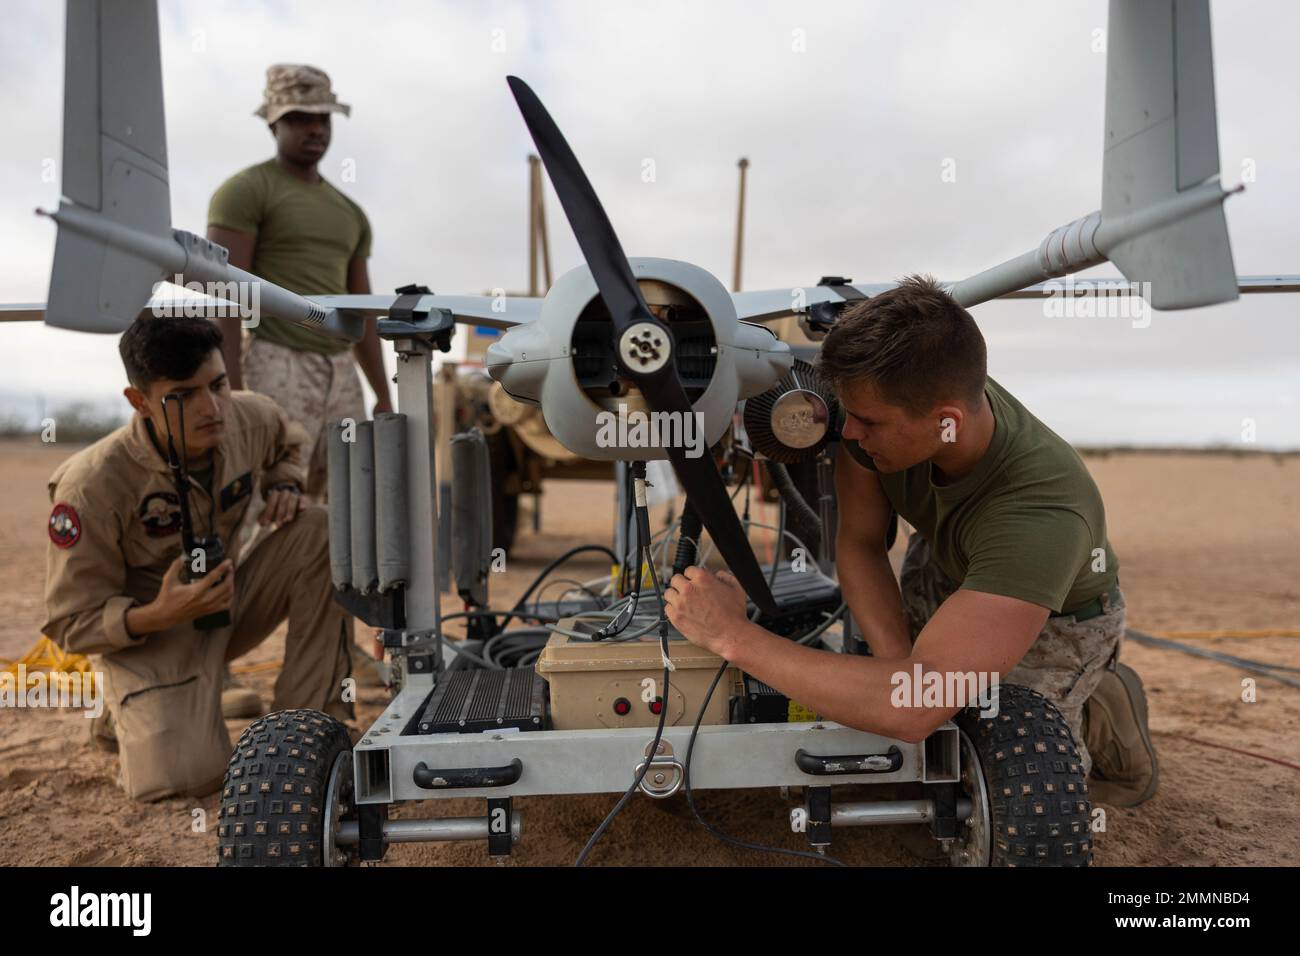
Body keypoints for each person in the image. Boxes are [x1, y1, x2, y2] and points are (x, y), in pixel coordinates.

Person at [664, 275, 1158, 809]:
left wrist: (733, 637)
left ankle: (1103, 709)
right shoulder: (881, 403)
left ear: (947, 423)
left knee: (1002, 768)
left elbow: (915, 706)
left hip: (1053, 616)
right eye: (849, 413)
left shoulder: (1044, 510)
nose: (849, 434)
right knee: (927, 720)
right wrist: (899, 671)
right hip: (948, 562)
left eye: (869, 422)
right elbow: (859, 546)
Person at [42, 317, 355, 802]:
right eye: (183, 395)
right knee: (185, 780)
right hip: (153, 638)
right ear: (139, 401)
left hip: (227, 605)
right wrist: (159, 613)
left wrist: (286, 482)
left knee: (322, 528)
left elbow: (286, 439)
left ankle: (306, 723)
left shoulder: (247, 417)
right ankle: (121, 711)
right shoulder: (92, 487)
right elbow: (70, 622)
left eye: (218, 384)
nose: (211, 408)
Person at [206, 63, 392, 497]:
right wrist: (231, 393)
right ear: (274, 122)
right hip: (275, 362)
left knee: (349, 504)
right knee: (261, 497)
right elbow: (222, 295)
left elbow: (360, 310)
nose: (315, 129)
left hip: (341, 372)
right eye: (300, 118)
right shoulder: (246, 191)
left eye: (322, 118)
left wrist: (381, 393)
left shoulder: (350, 212)